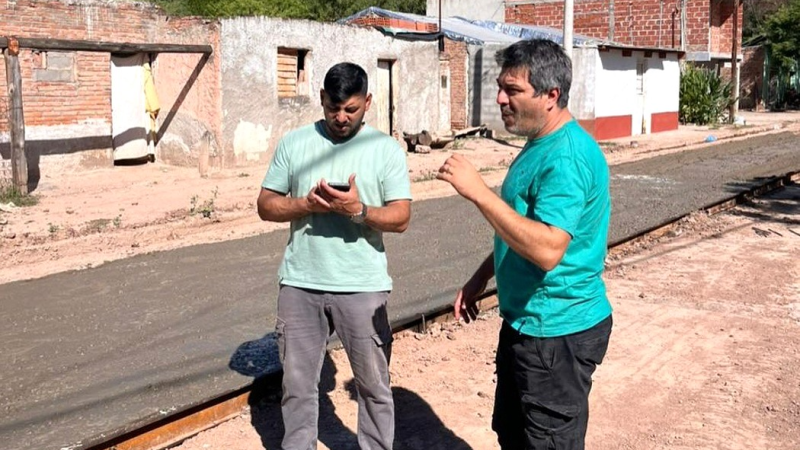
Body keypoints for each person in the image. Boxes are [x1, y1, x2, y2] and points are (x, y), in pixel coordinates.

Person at [437, 39, 613, 450]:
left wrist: (479, 193)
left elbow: (548, 249)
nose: (500, 98)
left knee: (547, 444)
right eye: (500, 87)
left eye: (512, 90)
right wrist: (482, 275)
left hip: (557, 331)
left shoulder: (565, 158)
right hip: (528, 322)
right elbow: (524, 227)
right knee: (514, 436)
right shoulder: (541, 142)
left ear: (551, 95)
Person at [257, 62, 412, 450]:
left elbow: (401, 217)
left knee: (373, 386)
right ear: (322, 98)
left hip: (362, 286)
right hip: (300, 283)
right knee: (296, 387)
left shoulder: (386, 150)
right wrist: (306, 205)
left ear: (368, 103)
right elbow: (266, 205)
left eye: (351, 109)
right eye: (333, 108)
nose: (341, 118)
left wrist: (358, 211)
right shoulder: (294, 144)